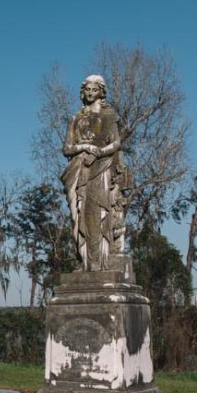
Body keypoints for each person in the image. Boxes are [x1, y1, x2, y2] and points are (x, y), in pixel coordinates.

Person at [61, 75, 129, 271]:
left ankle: (99, 262)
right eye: (87, 90)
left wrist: (99, 151)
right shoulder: (76, 119)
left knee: (98, 211)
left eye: (94, 89)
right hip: (79, 168)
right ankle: (85, 260)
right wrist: (85, 147)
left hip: (101, 167)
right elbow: (67, 148)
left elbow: (116, 143)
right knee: (78, 215)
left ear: (101, 92)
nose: (90, 93)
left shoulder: (108, 117)